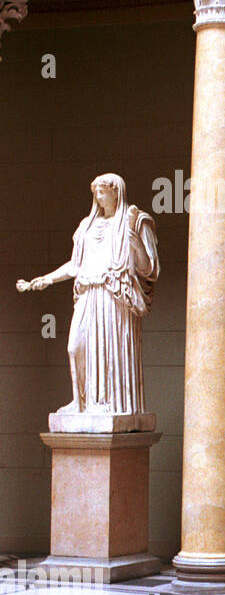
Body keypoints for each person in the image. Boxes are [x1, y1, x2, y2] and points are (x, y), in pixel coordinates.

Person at [16, 173, 159, 417]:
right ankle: (80, 401)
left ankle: (107, 403)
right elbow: (75, 265)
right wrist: (46, 279)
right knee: (75, 347)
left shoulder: (135, 222)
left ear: (116, 191)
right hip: (87, 294)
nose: (98, 197)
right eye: (96, 193)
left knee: (107, 351)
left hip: (113, 295)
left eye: (102, 191)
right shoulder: (87, 225)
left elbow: (148, 269)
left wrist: (134, 242)